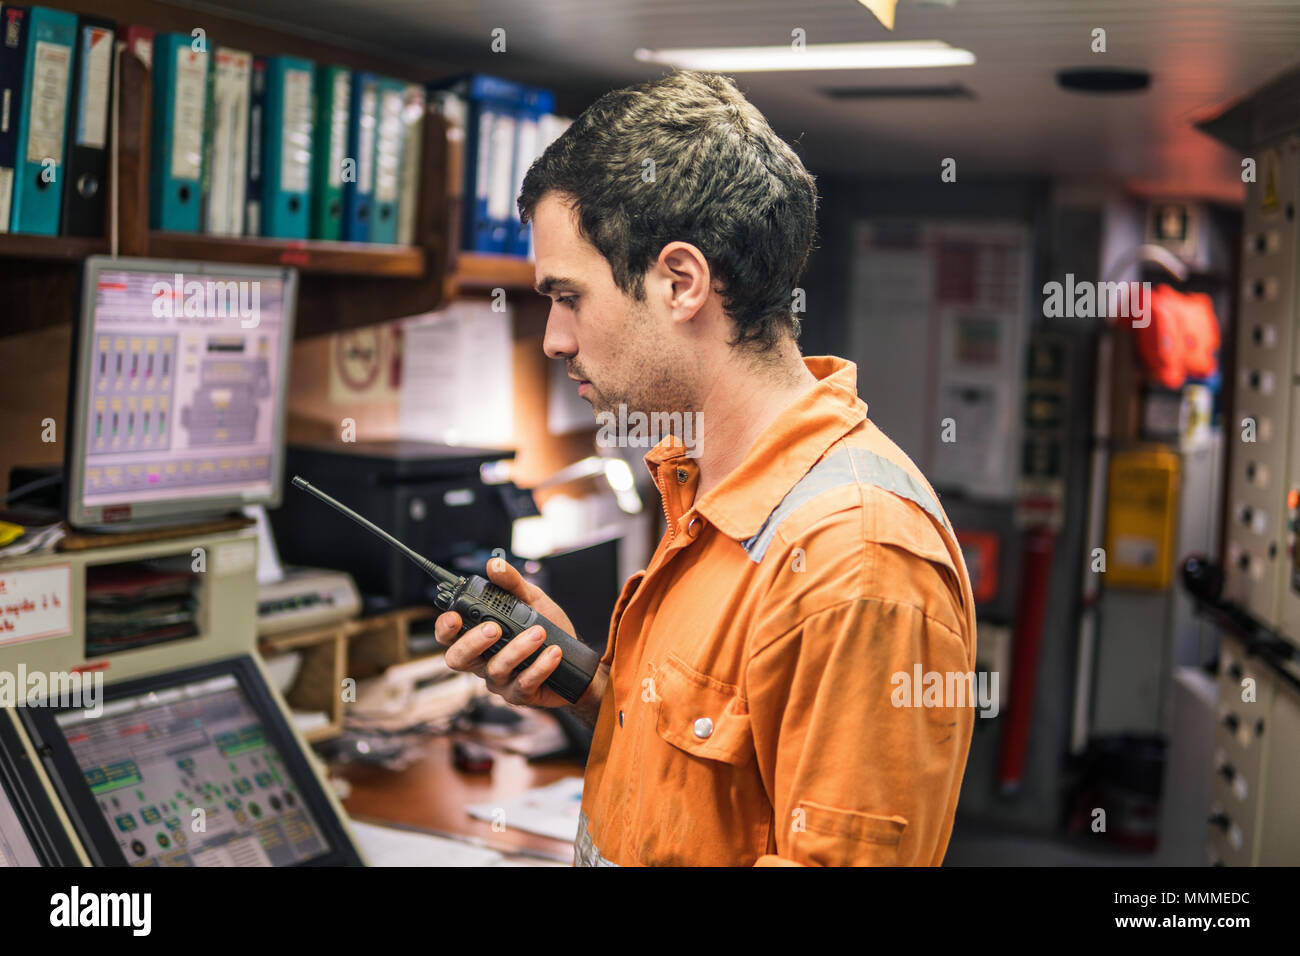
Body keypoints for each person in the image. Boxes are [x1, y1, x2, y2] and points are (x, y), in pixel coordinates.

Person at [435, 70, 978, 866]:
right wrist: (583, 683)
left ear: (681, 282)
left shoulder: (855, 559)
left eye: (568, 297)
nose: (553, 338)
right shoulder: (704, 490)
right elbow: (715, 782)